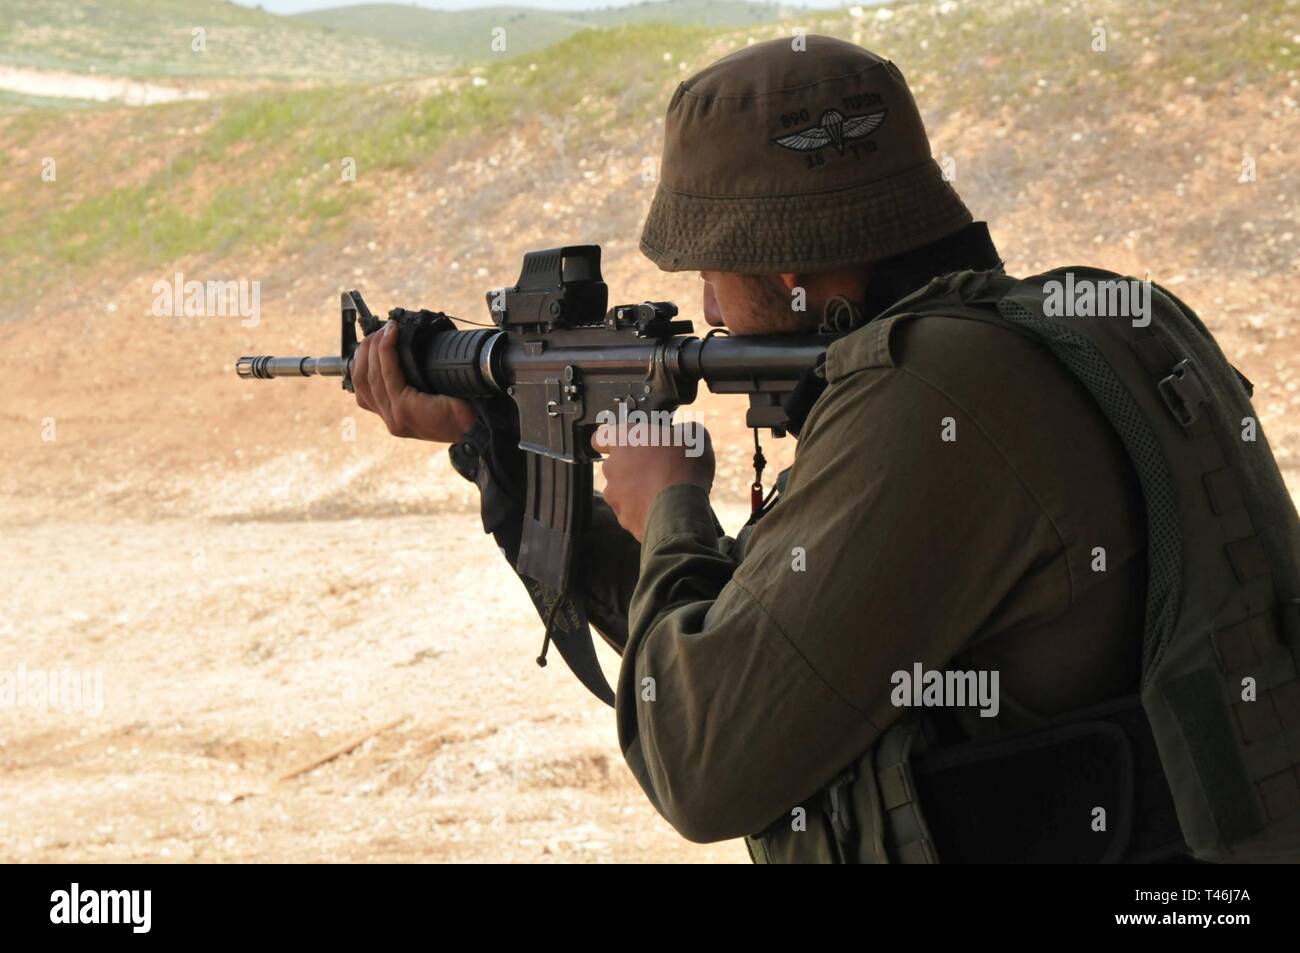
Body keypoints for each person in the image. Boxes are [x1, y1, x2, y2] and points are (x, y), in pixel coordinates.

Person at [351, 36, 1156, 862]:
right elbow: (761, 644)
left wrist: (670, 505)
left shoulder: (929, 391)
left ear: (792, 258)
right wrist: (498, 443)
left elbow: (701, 762)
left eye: (713, 267)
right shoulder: (1058, 331)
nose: (707, 305)